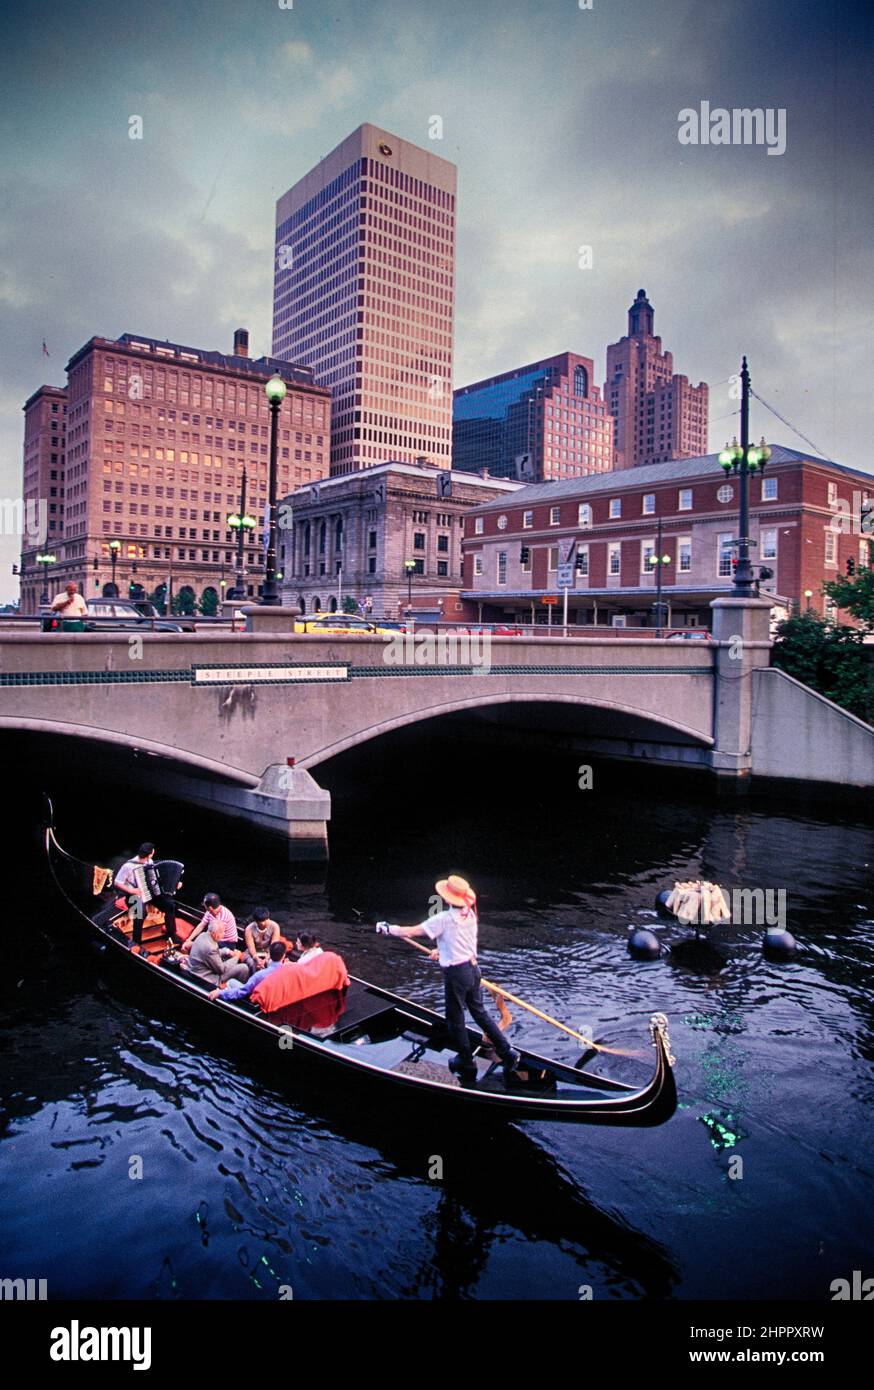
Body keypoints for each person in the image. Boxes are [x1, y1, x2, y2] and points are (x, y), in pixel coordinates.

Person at [376, 874, 520, 1088]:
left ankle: (466, 1060)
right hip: (473, 969)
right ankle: (507, 1053)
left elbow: (412, 931)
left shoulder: (444, 918)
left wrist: (388, 929)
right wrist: (440, 950)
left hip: (457, 975)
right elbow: (459, 941)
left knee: (455, 1019)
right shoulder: (469, 913)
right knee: (479, 1012)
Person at [113, 842, 182, 946]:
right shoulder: (128, 866)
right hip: (133, 895)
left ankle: (171, 934)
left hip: (150, 892)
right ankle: (136, 942)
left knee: (170, 905)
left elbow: (157, 880)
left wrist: (175, 883)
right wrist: (132, 891)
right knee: (140, 913)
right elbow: (117, 883)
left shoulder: (150, 861)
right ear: (150, 853)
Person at [209, 940, 287, 1003]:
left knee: (231, 982)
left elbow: (243, 991)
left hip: (255, 1002)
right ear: (283, 956)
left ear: (269, 954)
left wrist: (220, 993)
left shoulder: (260, 975)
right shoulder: (287, 971)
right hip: (273, 1001)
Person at [186, 919, 249, 987]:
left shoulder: (203, 935)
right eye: (221, 932)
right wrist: (237, 957)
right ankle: (238, 992)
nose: (224, 934)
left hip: (197, 970)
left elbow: (212, 954)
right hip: (205, 977)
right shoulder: (211, 948)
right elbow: (221, 969)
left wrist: (226, 951)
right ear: (213, 933)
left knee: (227, 957)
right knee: (244, 968)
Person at [243, 907, 281, 974]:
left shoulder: (275, 926)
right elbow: (251, 947)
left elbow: (274, 945)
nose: (263, 923)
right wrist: (256, 959)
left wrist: (266, 959)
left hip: (269, 952)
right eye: (260, 922)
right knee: (252, 964)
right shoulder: (249, 929)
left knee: (271, 964)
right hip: (253, 952)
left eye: (265, 920)